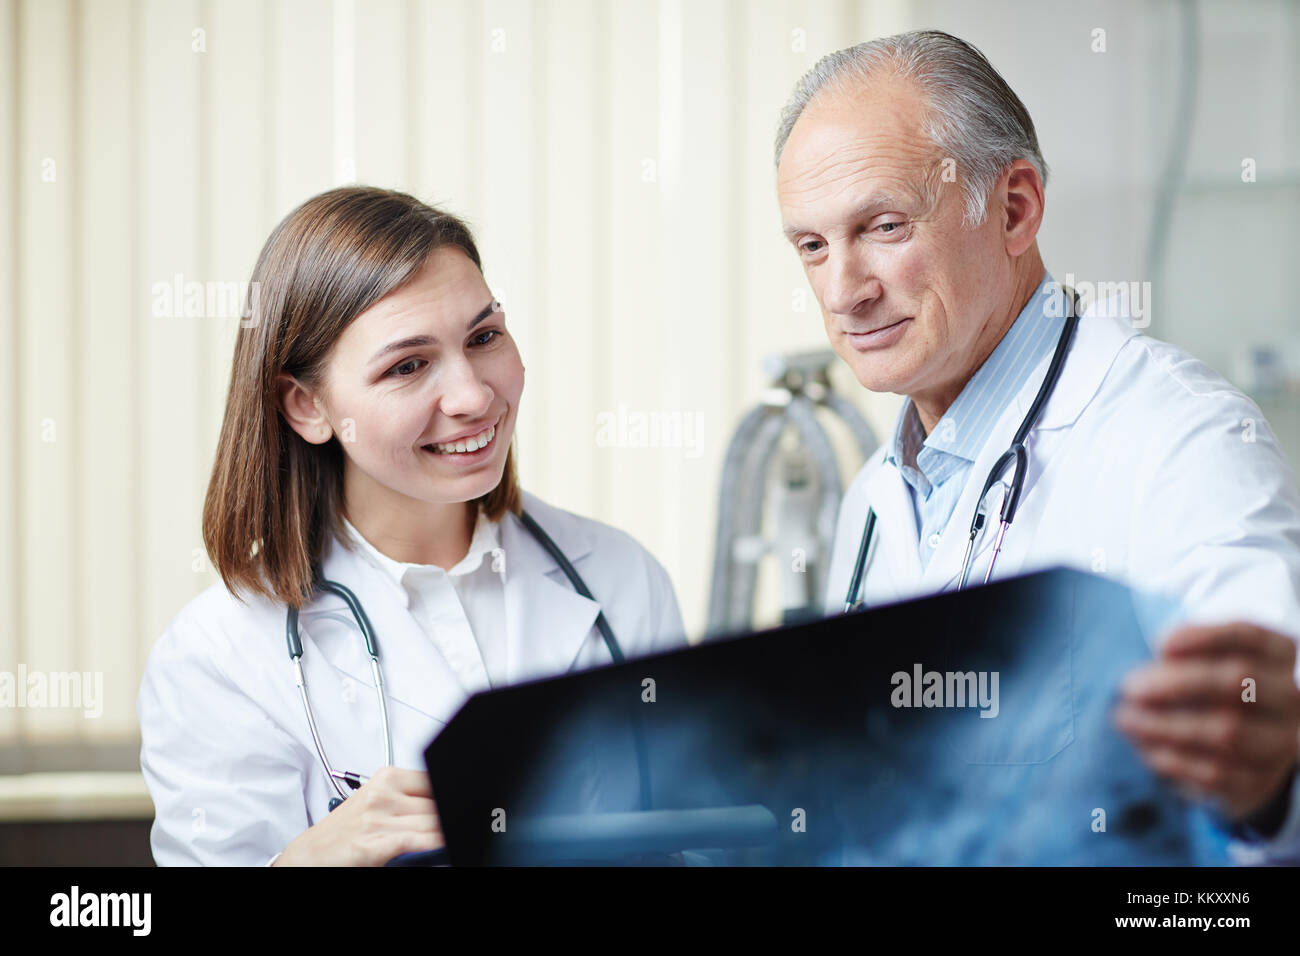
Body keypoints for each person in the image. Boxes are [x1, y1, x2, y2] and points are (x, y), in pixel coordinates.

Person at [775, 30, 1300, 862]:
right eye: (811, 245)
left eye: (882, 226)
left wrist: (1268, 791)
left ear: (1014, 208)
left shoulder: (1183, 446)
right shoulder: (874, 500)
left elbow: (1262, 774)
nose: (844, 290)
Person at [138, 186, 687, 866]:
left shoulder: (621, 579)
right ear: (307, 405)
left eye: (485, 337)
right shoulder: (219, 657)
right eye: (407, 365)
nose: (473, 396)